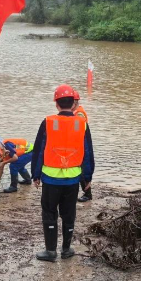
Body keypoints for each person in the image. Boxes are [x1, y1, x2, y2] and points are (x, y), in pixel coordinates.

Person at [32, 84, 95, 262]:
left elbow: (39, 150)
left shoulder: (48, 122)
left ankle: (50, 252)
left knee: (49, 213)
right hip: (72, 180)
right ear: (73, 103)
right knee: (69, 214)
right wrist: (87, 178)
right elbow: (88, 152)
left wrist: (36, 175)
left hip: (51, 180)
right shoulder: (82, 124)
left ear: (57, 104)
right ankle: (66, 250)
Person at [72, 90, 92, 203]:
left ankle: (88, 194)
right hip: (78, 147)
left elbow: (78, 131)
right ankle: (86, 192)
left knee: (82, 172)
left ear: (74, 102)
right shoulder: (78, 112)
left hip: (80, 147)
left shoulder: (79, 114)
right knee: (80, 171)